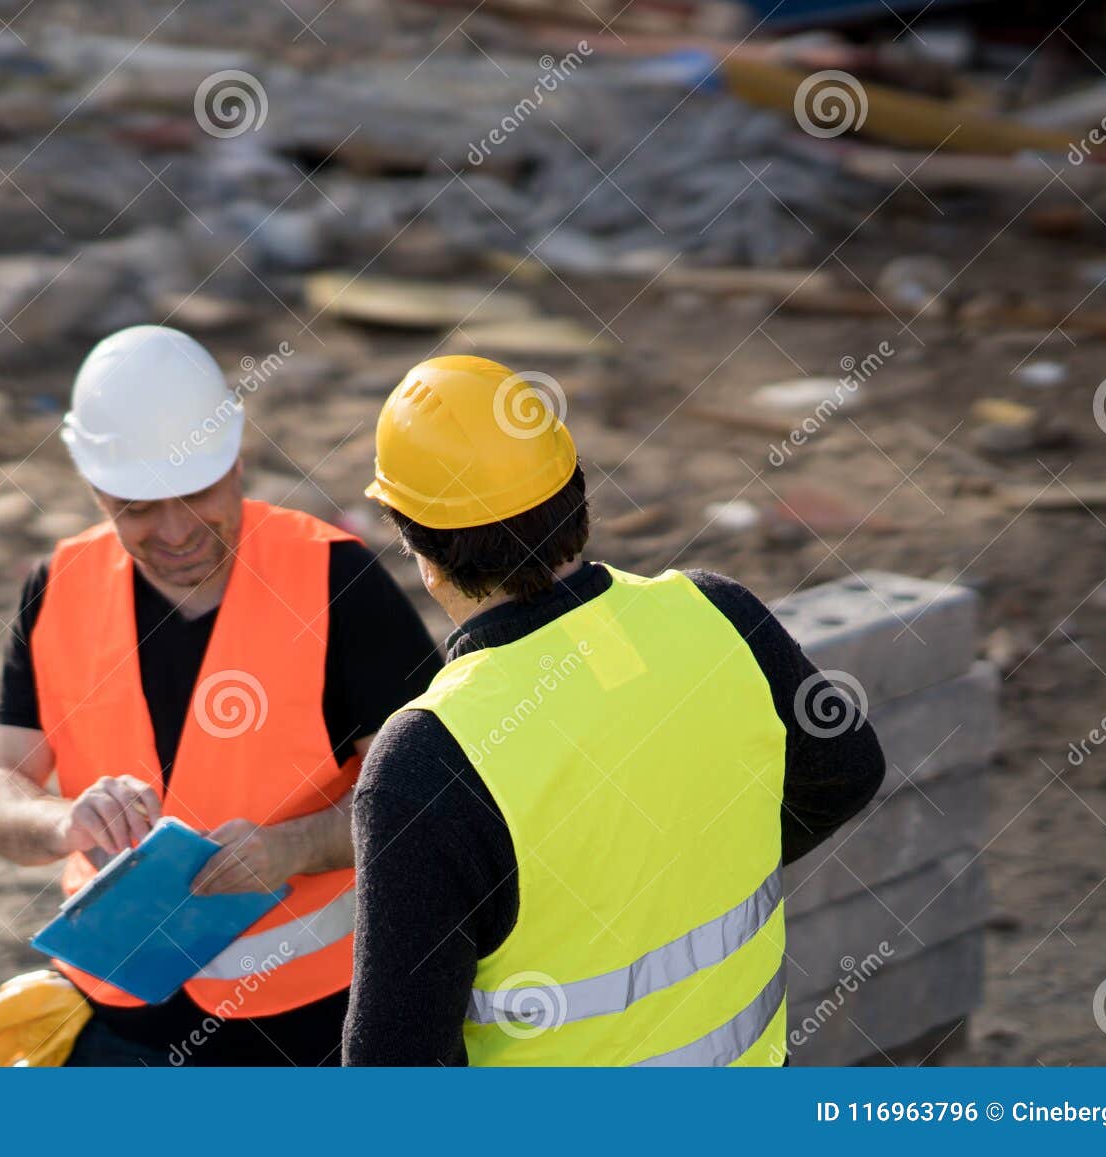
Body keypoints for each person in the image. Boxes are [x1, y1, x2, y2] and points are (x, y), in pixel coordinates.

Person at [343, 355, 886, 1066]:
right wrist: (702, 867)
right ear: (575, 492)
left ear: (417, 542)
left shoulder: (428, 762)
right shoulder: (720, 615)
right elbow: (850, 770)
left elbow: (392, 1068)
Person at [0, 325, 440, 1066]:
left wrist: (294, 846)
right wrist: (64, 821)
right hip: (120, 1015)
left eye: (196, 494)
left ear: (235, 459)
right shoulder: (57, 589)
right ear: (94, 487)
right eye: (137, 507)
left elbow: (431, 803)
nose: (176, 530)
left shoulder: (335, 580)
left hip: (322, 1022)